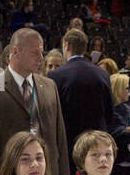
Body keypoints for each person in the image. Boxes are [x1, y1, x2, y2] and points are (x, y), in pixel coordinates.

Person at [0, 28, 72, 175]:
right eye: (35, 53)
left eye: (42, 52)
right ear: (16, 52)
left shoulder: (49, 86)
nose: (41, 58)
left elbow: (59, 136)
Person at [48, 28, 114, 161]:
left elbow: (53, 114)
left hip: (69, 145)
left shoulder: (56, 75)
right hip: (97, 144)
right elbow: (109, 112)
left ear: (66, 45)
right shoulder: (103, 74)